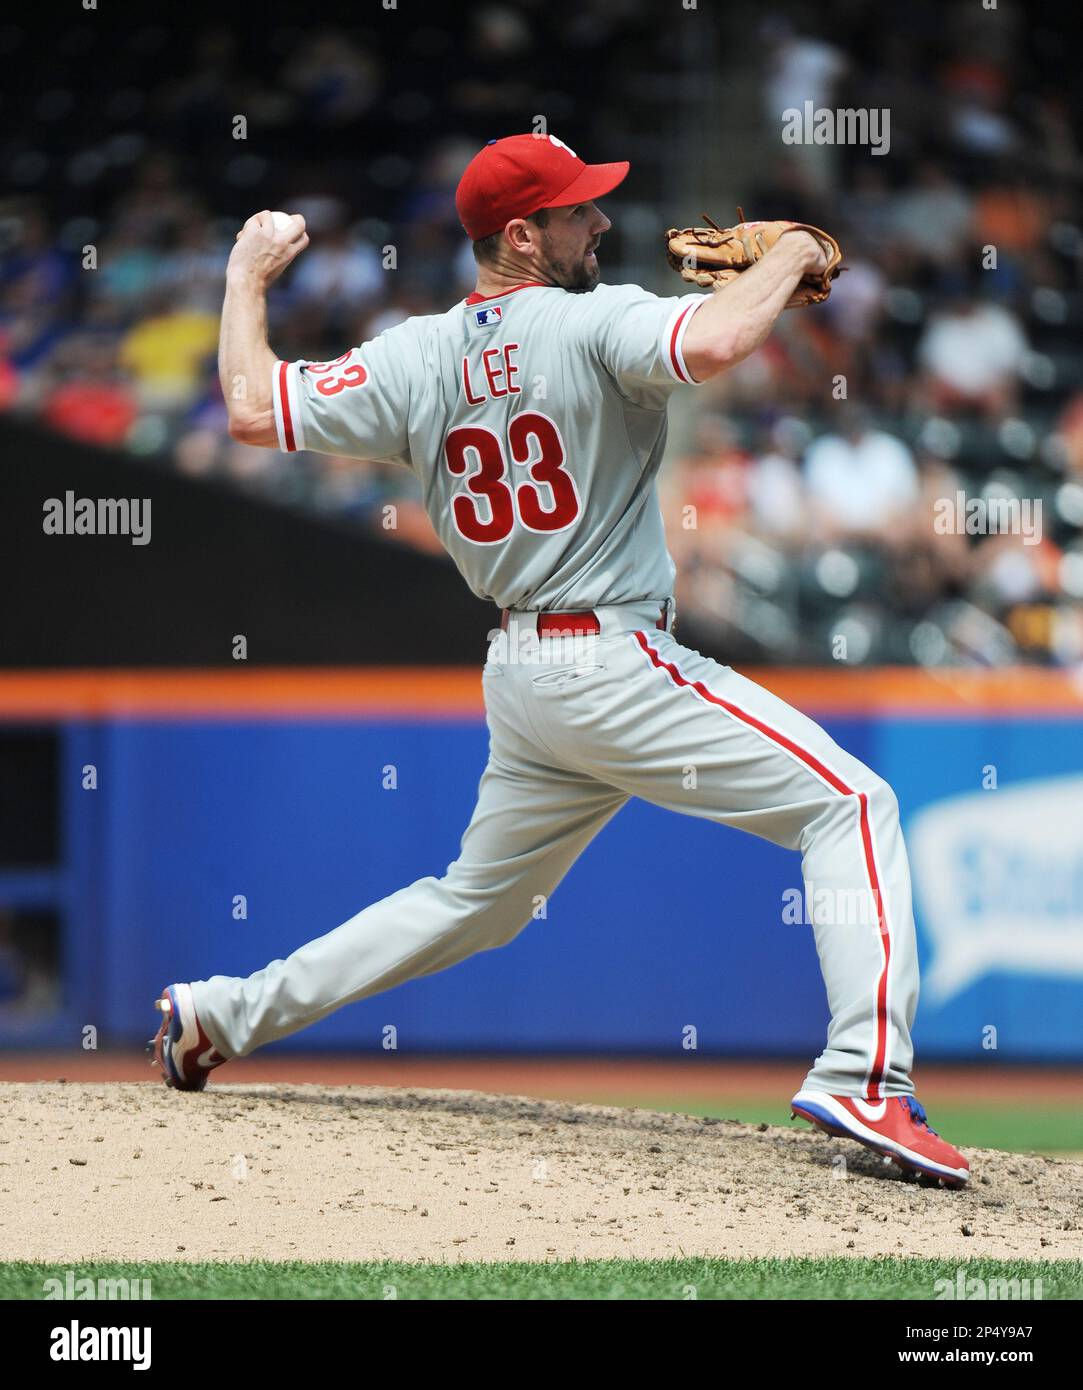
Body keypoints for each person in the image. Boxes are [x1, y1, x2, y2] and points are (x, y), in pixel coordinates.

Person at [151, 134, 969, 1187]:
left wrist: (243, 276)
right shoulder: (594, 318)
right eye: (579, 210)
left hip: (524, 676)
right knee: (851, 806)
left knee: (473, 902)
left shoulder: (413, 354)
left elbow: (255, 407)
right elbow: (717, 343)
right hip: (612, 658)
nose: (602, 222)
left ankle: (220, 1013)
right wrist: (796, 249)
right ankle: (866, 1074)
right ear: (523, 235)